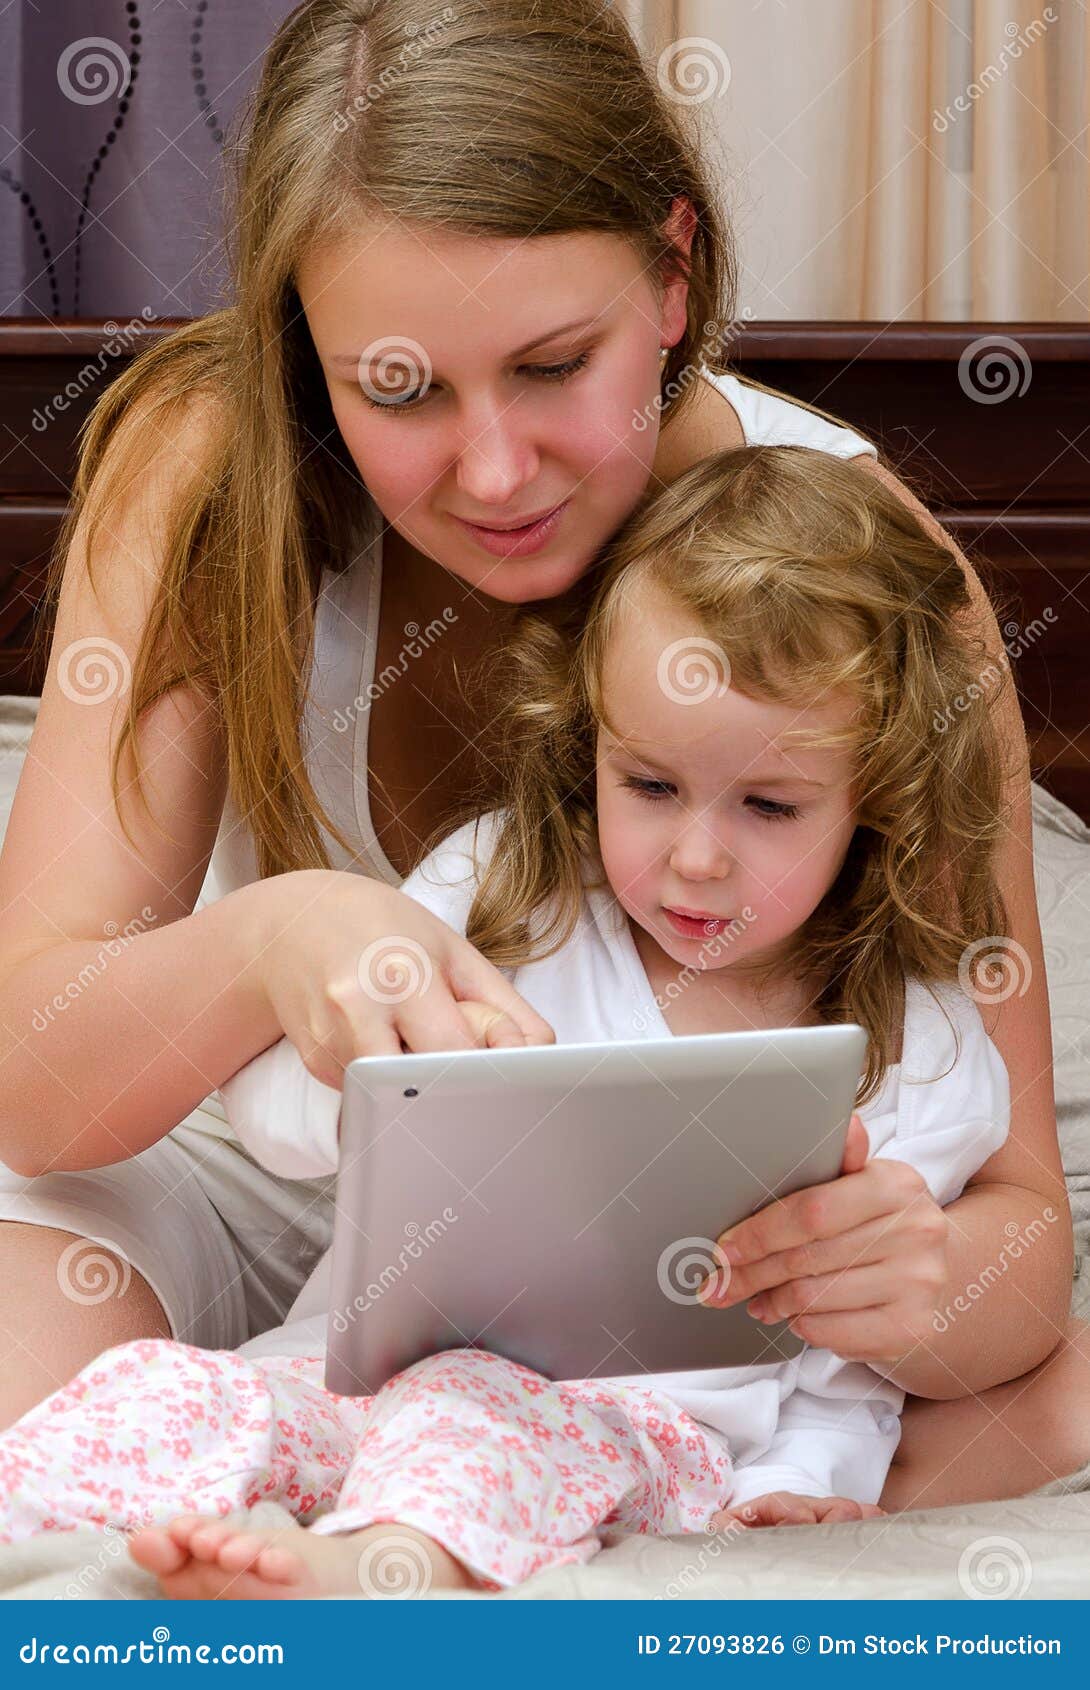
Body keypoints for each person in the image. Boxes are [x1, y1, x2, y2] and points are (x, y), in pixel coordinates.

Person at [0, 0, 1081, 1504]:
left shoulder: (858, 582)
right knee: (21, 1347)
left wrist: (926, 1272)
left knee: (1061, 1380)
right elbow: (34, 1085)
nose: (493, 472)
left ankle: (575, 1499)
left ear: (671, 273)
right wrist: (274, 940)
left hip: (703, 1301)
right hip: (264, 1182)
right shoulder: (208, 476)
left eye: (554, 364)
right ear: (306, 351)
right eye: (397, 388)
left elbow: (1024, 1216)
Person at [0, 447, 1017, 1598]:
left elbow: (851, 1355)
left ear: (873, 798)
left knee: (475, 1409)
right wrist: (364, 1070)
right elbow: (288, 1128)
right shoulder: (501, 894)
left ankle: (378, 1572)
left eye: (770, 805)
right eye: (647, 785)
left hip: (631, 1435)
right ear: (591, 741)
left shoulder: (914, 1050)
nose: (693, 854)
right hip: (353, 1383)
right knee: (162, 1388)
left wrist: (794, 1482)